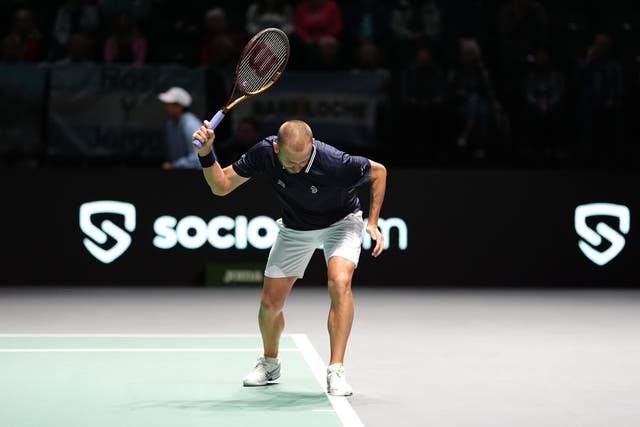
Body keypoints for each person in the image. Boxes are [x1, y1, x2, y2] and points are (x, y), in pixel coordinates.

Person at [192, 119, 387, 396]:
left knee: (339, 282)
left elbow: (379, 172)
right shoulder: (263, 153)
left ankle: (336, 369)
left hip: (341, 223)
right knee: (270, 305)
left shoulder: (334, 161)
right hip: (296, 228)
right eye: (290, 163)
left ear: (312, 145)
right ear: (275, 148)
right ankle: (270, 363)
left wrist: (372, 222)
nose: (297, 168)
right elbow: (220, 186)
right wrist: (205, 153)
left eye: (303, 161)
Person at [157, 86, 202, 169]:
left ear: (179, 106)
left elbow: (199, 157)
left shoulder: (191, 124)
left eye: (169, 104)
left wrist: (174, 165)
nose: (166, 107)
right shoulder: (170, 125)